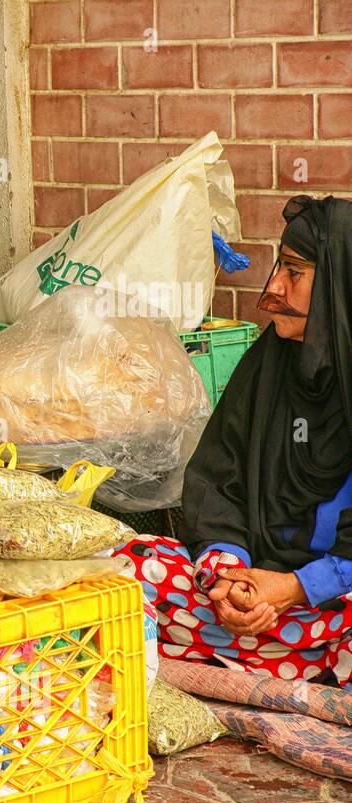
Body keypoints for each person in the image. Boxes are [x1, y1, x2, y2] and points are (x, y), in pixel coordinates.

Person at [117, 195, 352, 686]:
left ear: (338, 285)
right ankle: (284, 667)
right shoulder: (268, 365)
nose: (273, 290)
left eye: (294, 272)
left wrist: (297, 586)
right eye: (277, 270)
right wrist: (227, 576)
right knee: (123, 570)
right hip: (254, 595)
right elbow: (218, 478)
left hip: (332, 602)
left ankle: (248, 664)